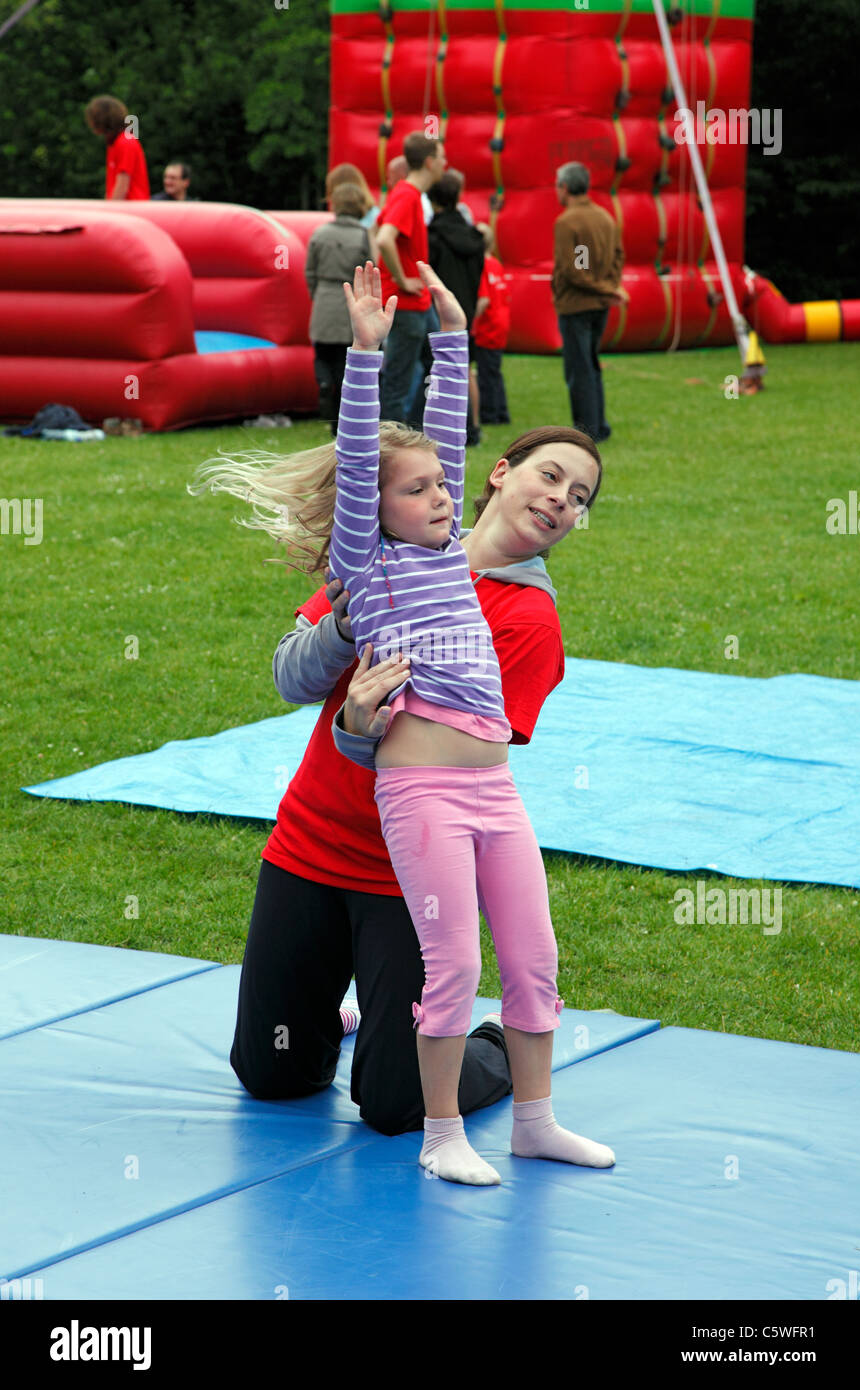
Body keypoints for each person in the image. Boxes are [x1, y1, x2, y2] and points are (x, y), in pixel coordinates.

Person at [189, 278, 605, 1163]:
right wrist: (342, 630)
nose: (561, 501)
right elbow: (288, 674)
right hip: (310, 844)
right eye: (549, 475)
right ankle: (348, 1008)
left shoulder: (518, 611)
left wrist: (360, 731)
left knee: (390, 1105)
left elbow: (456, 761)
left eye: (580, 498)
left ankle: (484, 1045)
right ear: (501, 471)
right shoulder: (386, 558)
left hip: (405, 867)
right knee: (274, 1073)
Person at [406, 171, 485, 444]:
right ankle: (471, 428)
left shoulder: (431, 238)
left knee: (432, 370)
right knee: (463, 369)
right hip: (466, 311)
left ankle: (422, 425)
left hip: (437, 313)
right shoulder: (475, 237)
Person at [552, 162, 627, 442]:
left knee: (579, 368)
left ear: (566, 187)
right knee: (591, 364)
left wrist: (599, 286)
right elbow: (618, 255)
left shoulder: (567, 222)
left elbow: (571, 270)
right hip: (600, 305)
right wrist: (608, 286)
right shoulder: (605, 218)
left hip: (575, 304)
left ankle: (586, 430)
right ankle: (599, 423)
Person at [376, 131, 446, 422]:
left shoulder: (410, 195)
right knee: (397, 382)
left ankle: (415, 431)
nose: (446, 164)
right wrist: (403, 279)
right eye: (443, 158)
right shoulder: (406, 195)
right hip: (406, 303)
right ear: (430, 162)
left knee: (439, 366)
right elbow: (383, 238)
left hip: (419, 303)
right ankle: (388, 448)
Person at [305, 183, 373, 434]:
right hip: (350, 300)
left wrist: (317, 293)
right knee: (345, 364)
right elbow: (370, 269)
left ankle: (323, 382)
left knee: (322, 354)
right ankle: (339, 421)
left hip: (324, 297)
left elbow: (309, 270)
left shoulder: (319, 233)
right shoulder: (364, 235)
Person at [473, 222, 512, 425]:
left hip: (488, 326)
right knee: (494, 371)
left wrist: (471, 322)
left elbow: (484, 299)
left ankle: (489, 414)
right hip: (501, 323)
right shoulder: (495, 263)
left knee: (486, 374)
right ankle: (502, 412)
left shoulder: (481, 265)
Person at [84, 95, 150, 201]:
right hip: (125, 207)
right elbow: (114, 184)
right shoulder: (115, 143)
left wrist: (111, 211)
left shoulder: (125, 142)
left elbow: (122, 185)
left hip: (131, 208)